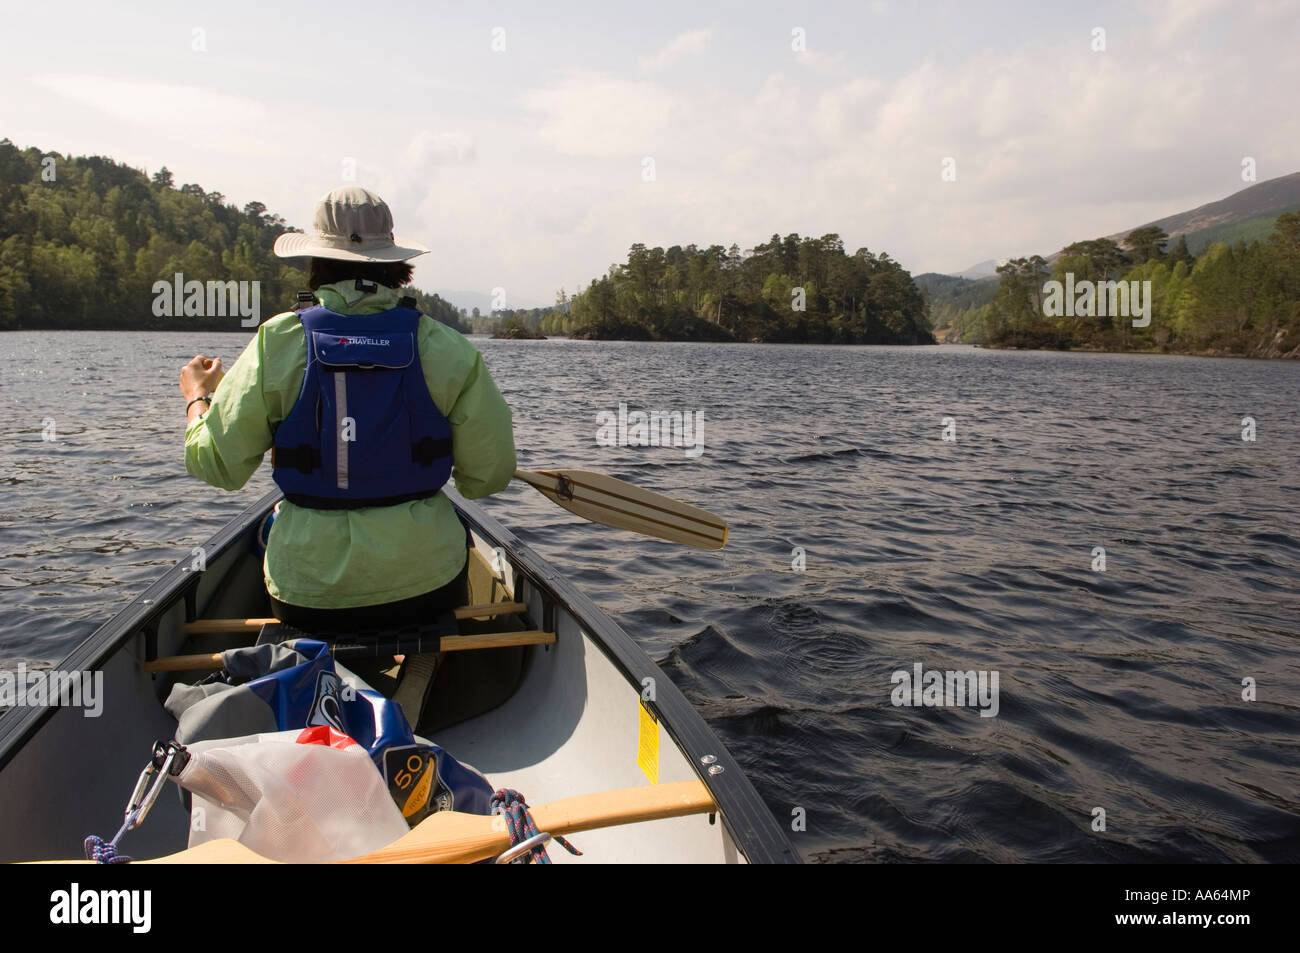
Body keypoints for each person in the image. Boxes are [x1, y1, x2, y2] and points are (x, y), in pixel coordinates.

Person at [179, 187, 516, 652]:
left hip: (307, 595)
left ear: (316, 262)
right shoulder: (447, 346)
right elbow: (489, 475)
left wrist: (199, 397)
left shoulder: (276, 341)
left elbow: (218, 466)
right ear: (395, 264)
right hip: (425, 588)